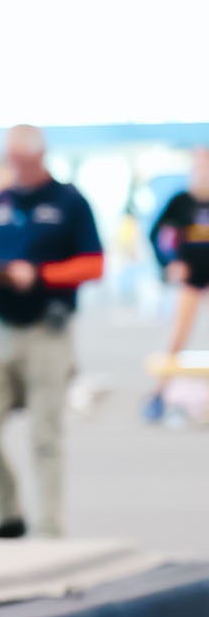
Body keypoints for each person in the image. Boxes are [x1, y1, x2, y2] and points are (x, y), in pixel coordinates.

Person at [0, 125, 104, 539]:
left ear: (39, 157)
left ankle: (48, 530)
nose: (14, 167)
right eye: (10, 159)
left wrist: (39, 275)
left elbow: (94, 264)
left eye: (21, 159)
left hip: (48, 329)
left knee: (45, 435)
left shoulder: (69, 202)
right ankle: (8, 509)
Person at [144, 147, 209, 421]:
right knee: (177, 339)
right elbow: (155, 234)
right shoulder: (181, 201)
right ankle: (158, 394)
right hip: (191, 278)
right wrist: (168, 264)